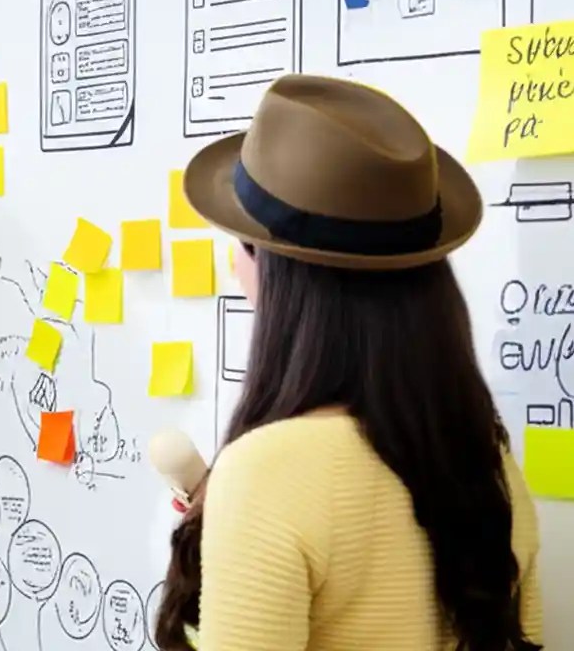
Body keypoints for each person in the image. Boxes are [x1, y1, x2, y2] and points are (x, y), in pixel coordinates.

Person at [153, 75, 543, 650]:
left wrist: (237, 517)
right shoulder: (490, 463)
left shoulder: (266, 470)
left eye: (240, 245)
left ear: (275, 270)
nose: (234, 269)